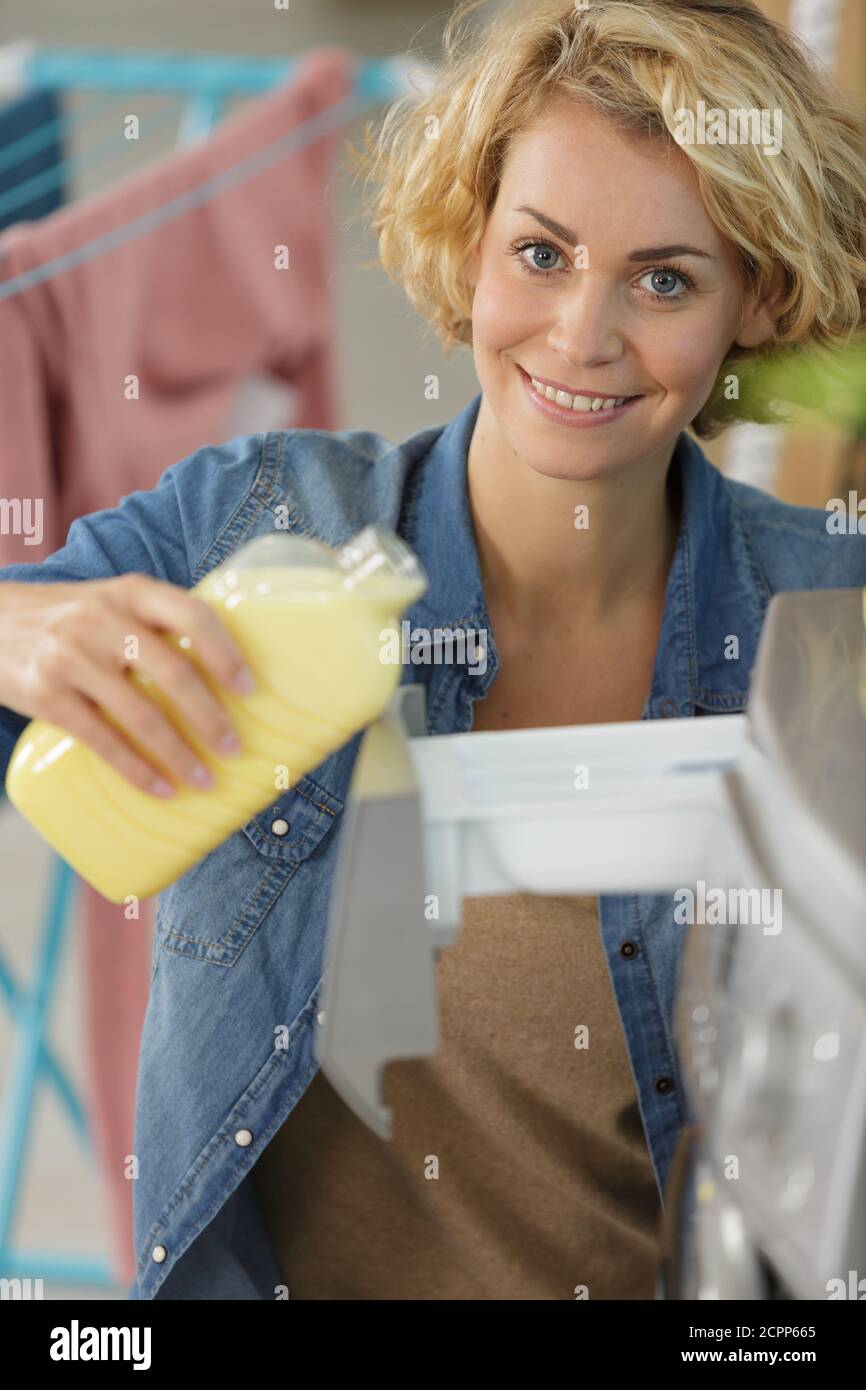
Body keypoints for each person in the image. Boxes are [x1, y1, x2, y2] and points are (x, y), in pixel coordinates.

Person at [0, 0, 864, 1299]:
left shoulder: (826, 616)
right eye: (540, 252)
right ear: (469, 242)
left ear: (757, 297)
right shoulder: (254, 519)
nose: (582, 335)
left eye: (666, 278)